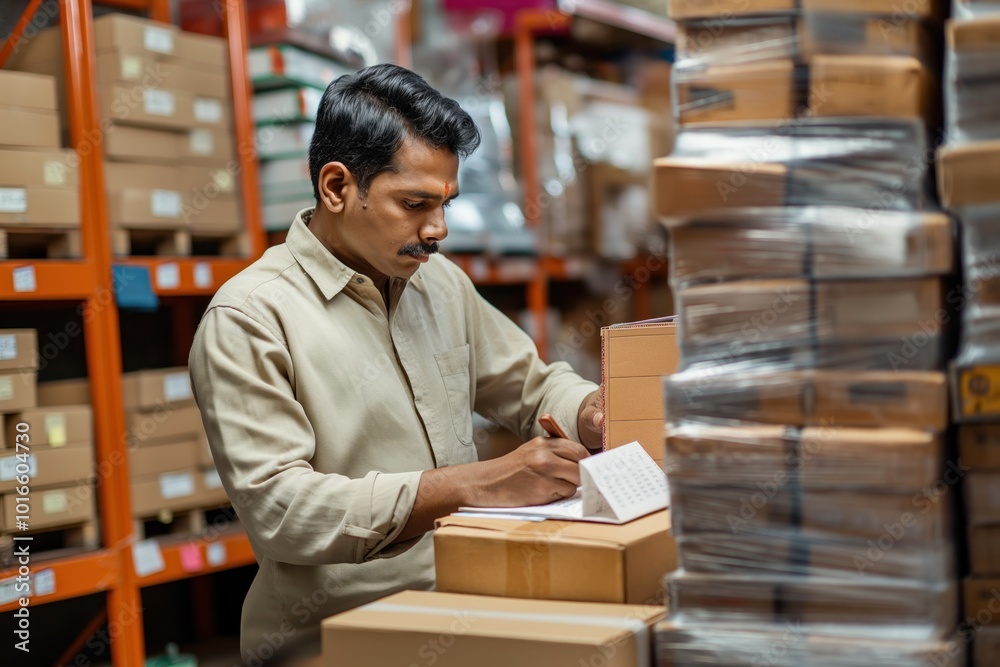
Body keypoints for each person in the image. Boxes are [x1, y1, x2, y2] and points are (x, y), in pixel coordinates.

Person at [189, 63, 604, 665]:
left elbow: (530, 386)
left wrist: (590, 410)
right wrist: (475, 485)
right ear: (336, 187)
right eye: (414, 204)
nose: (437, 230)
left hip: (462, 604)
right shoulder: (250, 318)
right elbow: (284, 510)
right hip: (333, 639)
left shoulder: (440, 285)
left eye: (446, 205)